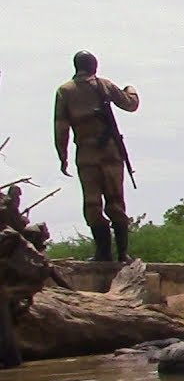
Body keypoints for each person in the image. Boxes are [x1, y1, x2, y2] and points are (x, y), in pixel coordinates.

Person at [53, 51, 140, 262]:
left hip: (86, 156)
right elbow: (131, 104)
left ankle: (102, 253)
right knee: (116, 203)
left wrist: (62, 156)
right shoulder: (104, 85)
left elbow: (61, 128)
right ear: (94, 66)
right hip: (111, 155)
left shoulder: (65, 91)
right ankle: (122, 254)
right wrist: (131, 89)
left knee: (92, 205)